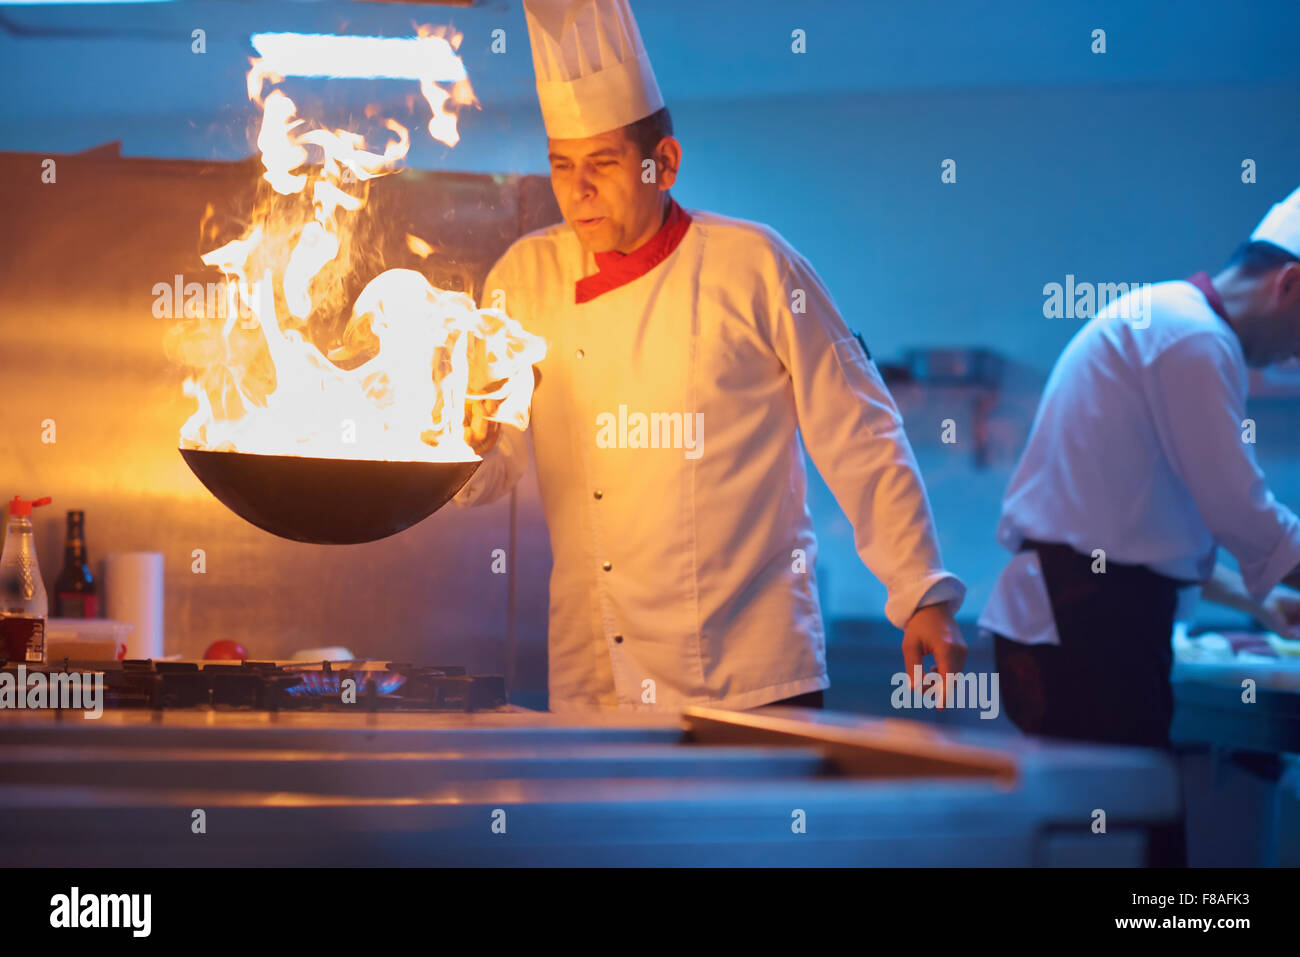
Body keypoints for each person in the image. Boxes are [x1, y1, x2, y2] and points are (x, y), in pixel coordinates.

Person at [455, 0, 965, 712]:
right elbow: (493, 460)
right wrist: (463, 436)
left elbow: (860, 431)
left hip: (750, 679)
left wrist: (920, 593)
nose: (576, 192)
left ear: (662, 164)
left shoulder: (756, 266)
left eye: (602, 164)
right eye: (562, 166)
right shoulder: (523, 277)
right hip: (594, 678)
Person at [979, 184, 1300, 751]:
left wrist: (1260, 600)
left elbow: (1150, 536)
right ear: (1291, 284)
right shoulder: (1192, 335)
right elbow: (1239, 511)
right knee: (1118, 826)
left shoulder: (1172, 321)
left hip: (1080, 619)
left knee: (1111, 826)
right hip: (1086, 627)